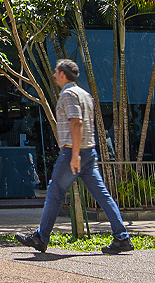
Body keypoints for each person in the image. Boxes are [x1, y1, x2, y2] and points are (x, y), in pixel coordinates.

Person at [15, 59, 134, 255]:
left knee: (54, 192)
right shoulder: (85, 94)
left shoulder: (69, 94)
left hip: (73, 151)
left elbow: (76, 123)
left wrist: (75, 155)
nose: (54, 75)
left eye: (56, 72)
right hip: (89, 151)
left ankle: (41, 237)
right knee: (102, 195)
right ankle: (122, 237)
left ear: (63, 74)